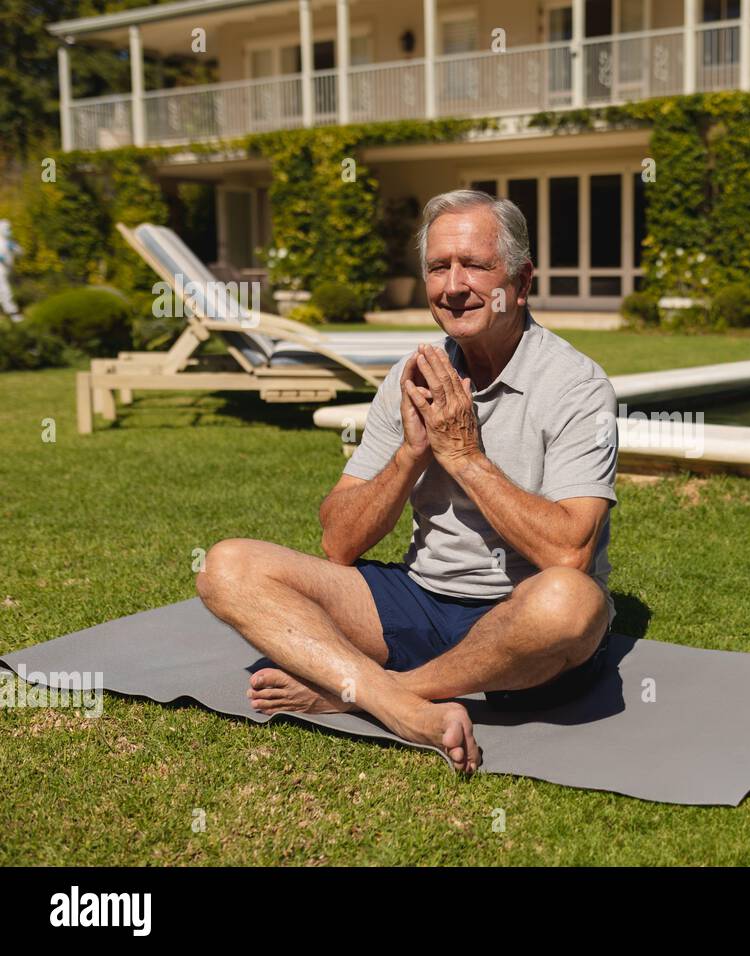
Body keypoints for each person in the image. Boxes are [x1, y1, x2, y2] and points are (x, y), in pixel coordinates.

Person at [195, 190, 620, 775]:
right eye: (438, 268)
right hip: (420, 600)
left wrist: (465, 456)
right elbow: (339, 543)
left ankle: (374, 691)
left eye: (474, 265)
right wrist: (410, 455)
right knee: (227, 566)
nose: (453, 286)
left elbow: (570, 551)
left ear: (520, 283)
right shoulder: (410, 376)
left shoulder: (577, 387)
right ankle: (390, 701)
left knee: (571, 605)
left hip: (518, 617)